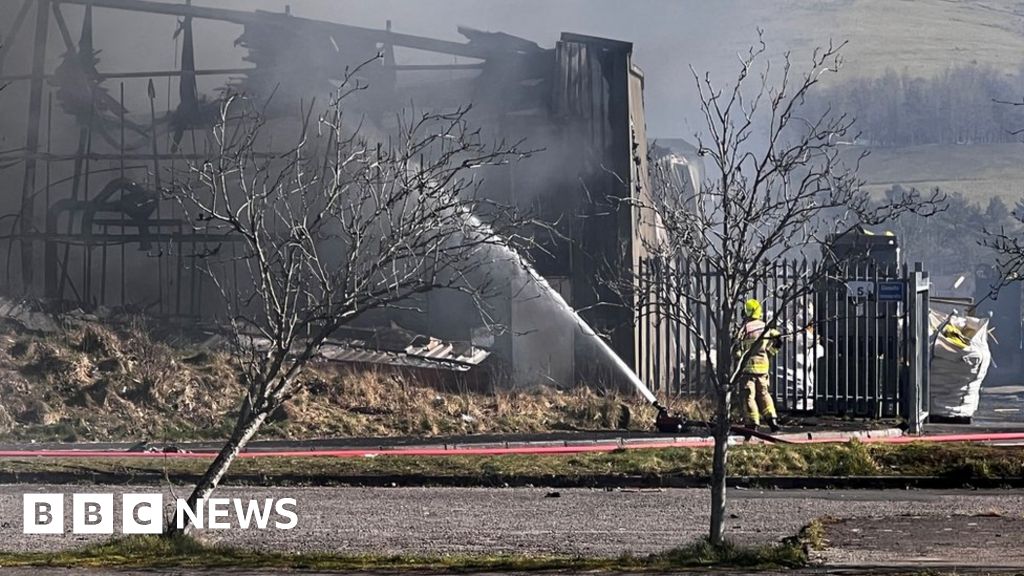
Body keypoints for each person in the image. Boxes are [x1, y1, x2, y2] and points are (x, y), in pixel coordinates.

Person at [737, 298, 782, 432]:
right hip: (763, 368)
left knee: (748, 396)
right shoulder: (765, 327)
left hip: (748, 370)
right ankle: (772, 420)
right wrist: (770, 353)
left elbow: (737, 347)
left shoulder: (744, 328)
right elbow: (778, 339)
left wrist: (738, 359)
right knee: (764, 394)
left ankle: (752, 423)